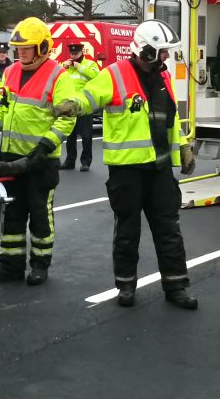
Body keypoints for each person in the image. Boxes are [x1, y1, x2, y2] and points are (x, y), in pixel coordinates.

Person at [54, 19, 198, 310]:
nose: (166, 57)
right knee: (127, 231)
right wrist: (72, 104)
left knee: (168, 230)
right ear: (146, 51)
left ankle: (176, 286)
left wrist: (182, 146)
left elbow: (169, 119)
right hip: (127, 171)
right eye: (162, 52)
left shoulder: (163, 77)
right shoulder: (114, 74)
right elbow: (88, 96)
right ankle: (126, 285)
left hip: (159, 171)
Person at [0, 17, 77, 286]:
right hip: (10, 158)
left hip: (40, 160)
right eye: (18, 48)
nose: (20, 52)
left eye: (26, 48)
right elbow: (1, 108)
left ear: (42, 47)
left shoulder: (59, 76)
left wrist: (45, 146)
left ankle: (40, 265)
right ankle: (11, 267)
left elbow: (66, 119)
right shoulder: (10, 73)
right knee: (12, 217)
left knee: (40, 215)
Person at [59, 42, 100, 172]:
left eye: (76, 53)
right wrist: (63, 67)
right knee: (70, 136)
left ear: (82, 52)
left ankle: (86, 162)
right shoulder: (65, 65)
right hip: (70, 106)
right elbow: (56, 77)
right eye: (72, 54)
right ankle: (69, 161)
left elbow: (97, 76)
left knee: (86, 135)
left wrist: (79, 67)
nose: (73, 56)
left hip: (84, 105)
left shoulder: (89, 64)